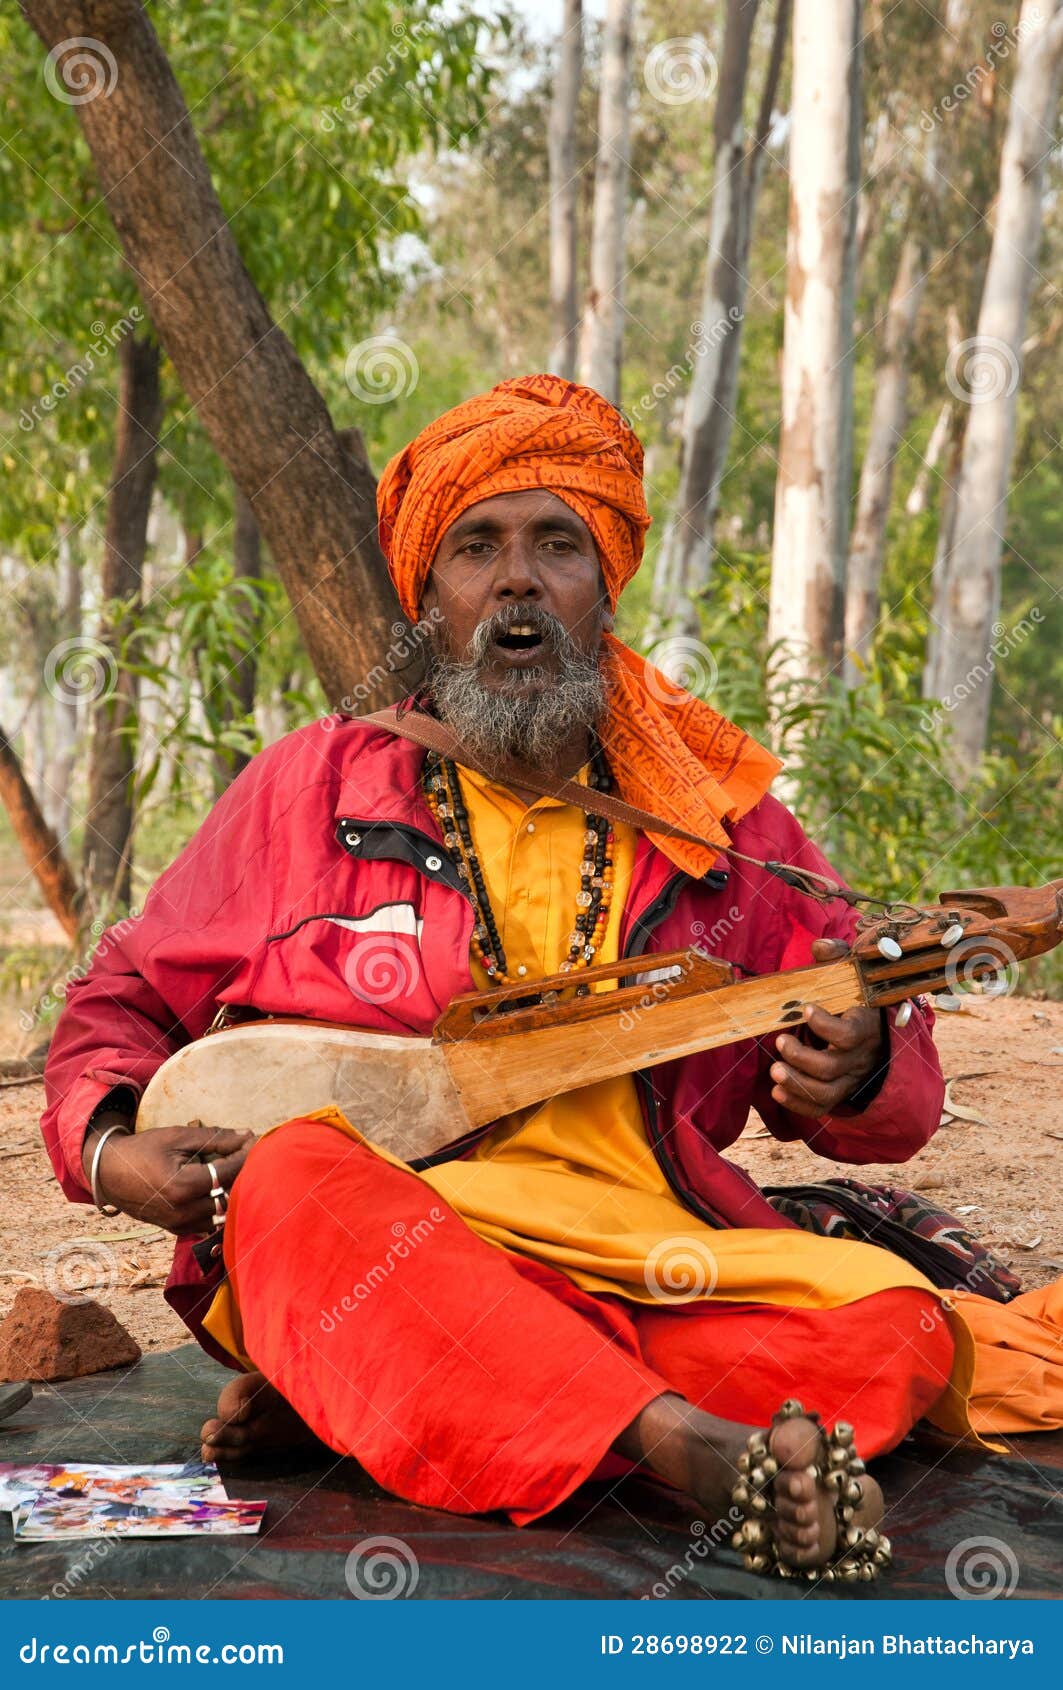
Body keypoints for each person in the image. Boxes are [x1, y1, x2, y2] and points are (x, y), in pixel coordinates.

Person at [39, 376, 1059, 1583]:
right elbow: (118, 1000)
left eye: (555, 544)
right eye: (478, 546)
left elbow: (888, 1112)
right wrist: (113, 1151)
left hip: (642, 1263)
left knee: (891, 1331)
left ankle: (402, 1407)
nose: (516, 579)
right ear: (431, 595)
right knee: (292, 1183)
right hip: (391, 1246)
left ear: (601, 588)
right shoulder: (313, 788)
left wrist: (864, 1063)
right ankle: (685, 1448)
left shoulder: (719, 822)